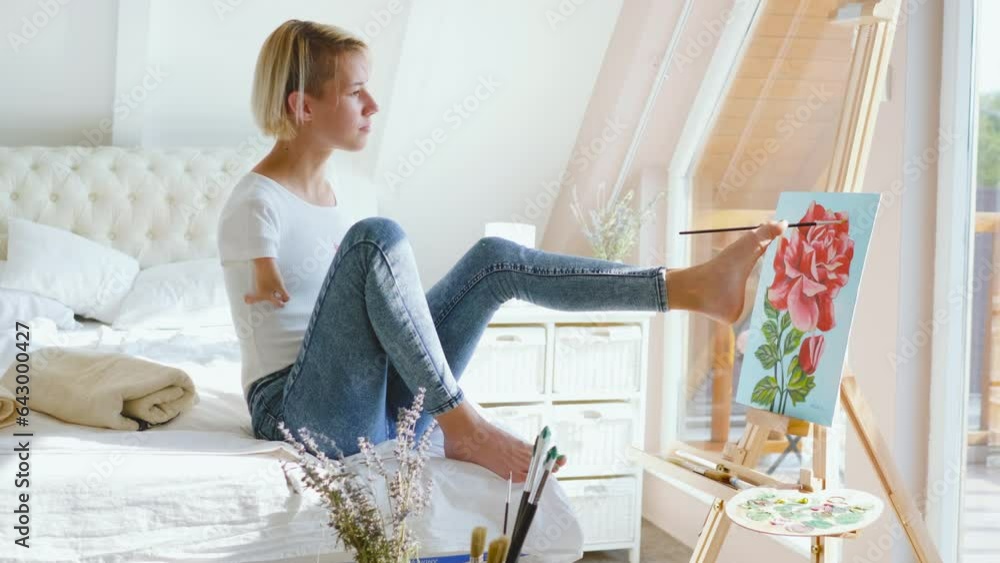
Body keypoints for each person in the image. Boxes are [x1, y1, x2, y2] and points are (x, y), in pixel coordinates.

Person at [217, 19, 787, 483]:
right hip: (298, 412)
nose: (373, 104)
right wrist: (266, 275)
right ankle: (462, 424)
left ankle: (685, 287)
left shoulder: (342, 194)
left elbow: (368, 314)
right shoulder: (254, 201)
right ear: (303, 107)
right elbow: (264, 282)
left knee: (494, 258)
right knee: (377, 237)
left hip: (371, 407)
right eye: (353, 91)